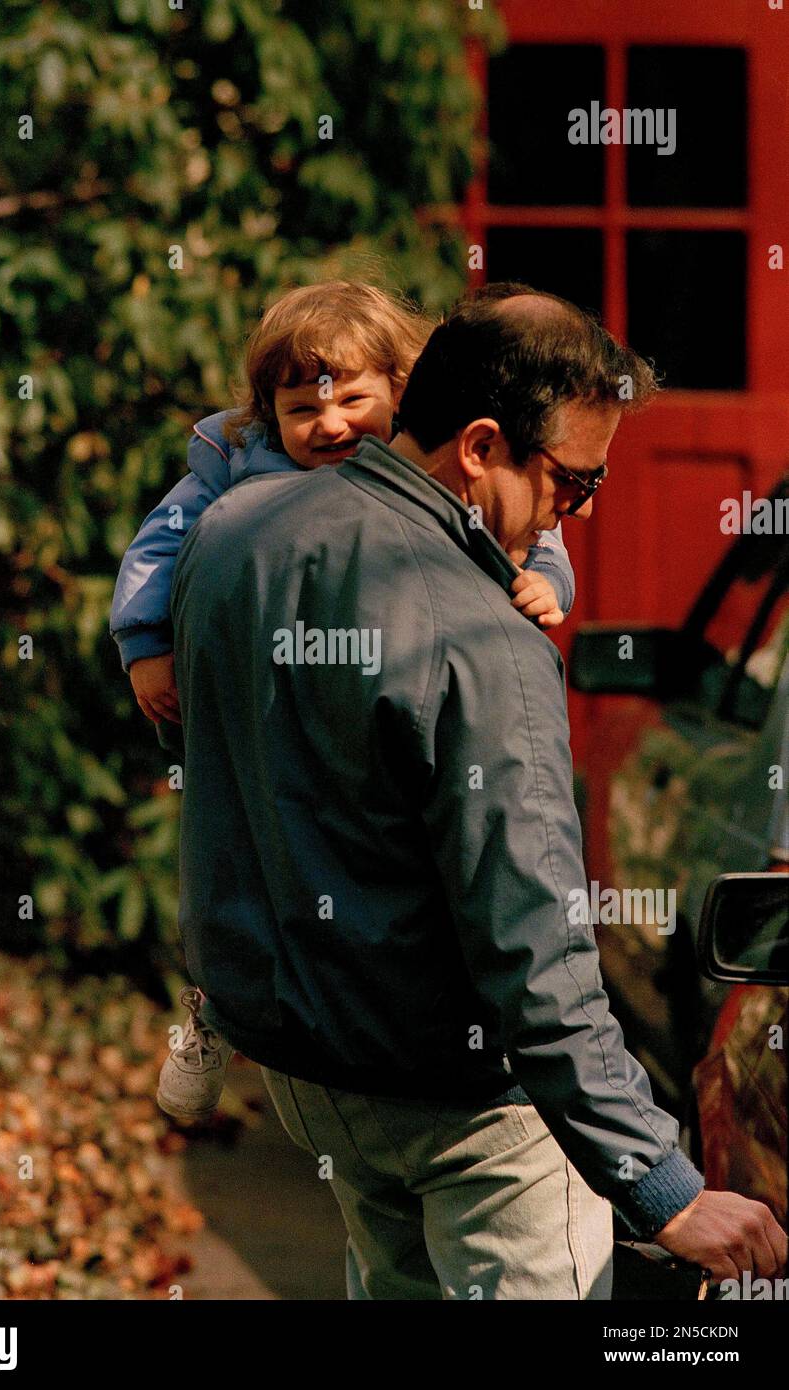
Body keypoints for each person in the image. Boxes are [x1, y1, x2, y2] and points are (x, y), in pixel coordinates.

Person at [167, 282, 788, 1298]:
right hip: (470, 1110)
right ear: (480, 446)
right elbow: (532, 948)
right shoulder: (483, 638)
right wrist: (662, 1185)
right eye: (572, 486)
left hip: (308, 1076)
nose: (569, 519)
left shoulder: (233, 536)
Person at [109, 281, 575, 1119]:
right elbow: (155, 547)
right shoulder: (235, 468)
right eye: (299, 410)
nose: (326, 425)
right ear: (267, 415)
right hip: (280, 699)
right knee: (240, 844)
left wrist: (547, 585)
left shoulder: (447, 484)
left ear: (400, 393)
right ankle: (216, 1008)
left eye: (351, 400)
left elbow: (538, 527)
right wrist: (145, 645)